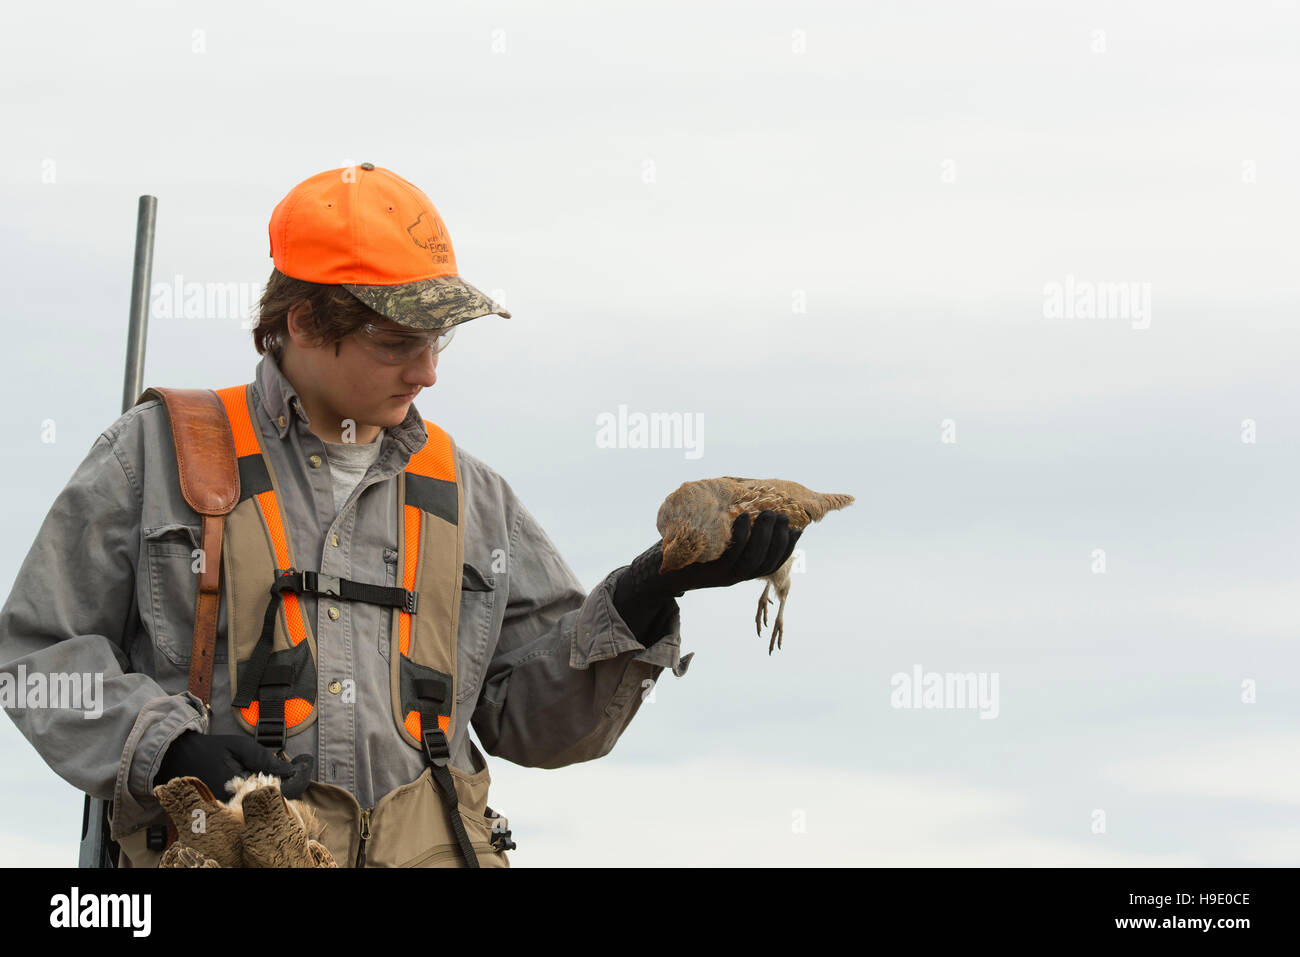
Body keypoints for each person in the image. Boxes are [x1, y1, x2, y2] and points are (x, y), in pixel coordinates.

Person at [0, 164, 801, 867]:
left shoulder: (470, 493)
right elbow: (34, 656)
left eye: (438, 341)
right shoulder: (157, 456)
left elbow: (537, 722)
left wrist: (648, 592)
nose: (426, 372)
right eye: (396, 342)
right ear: (305, 322)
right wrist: (166, 746)